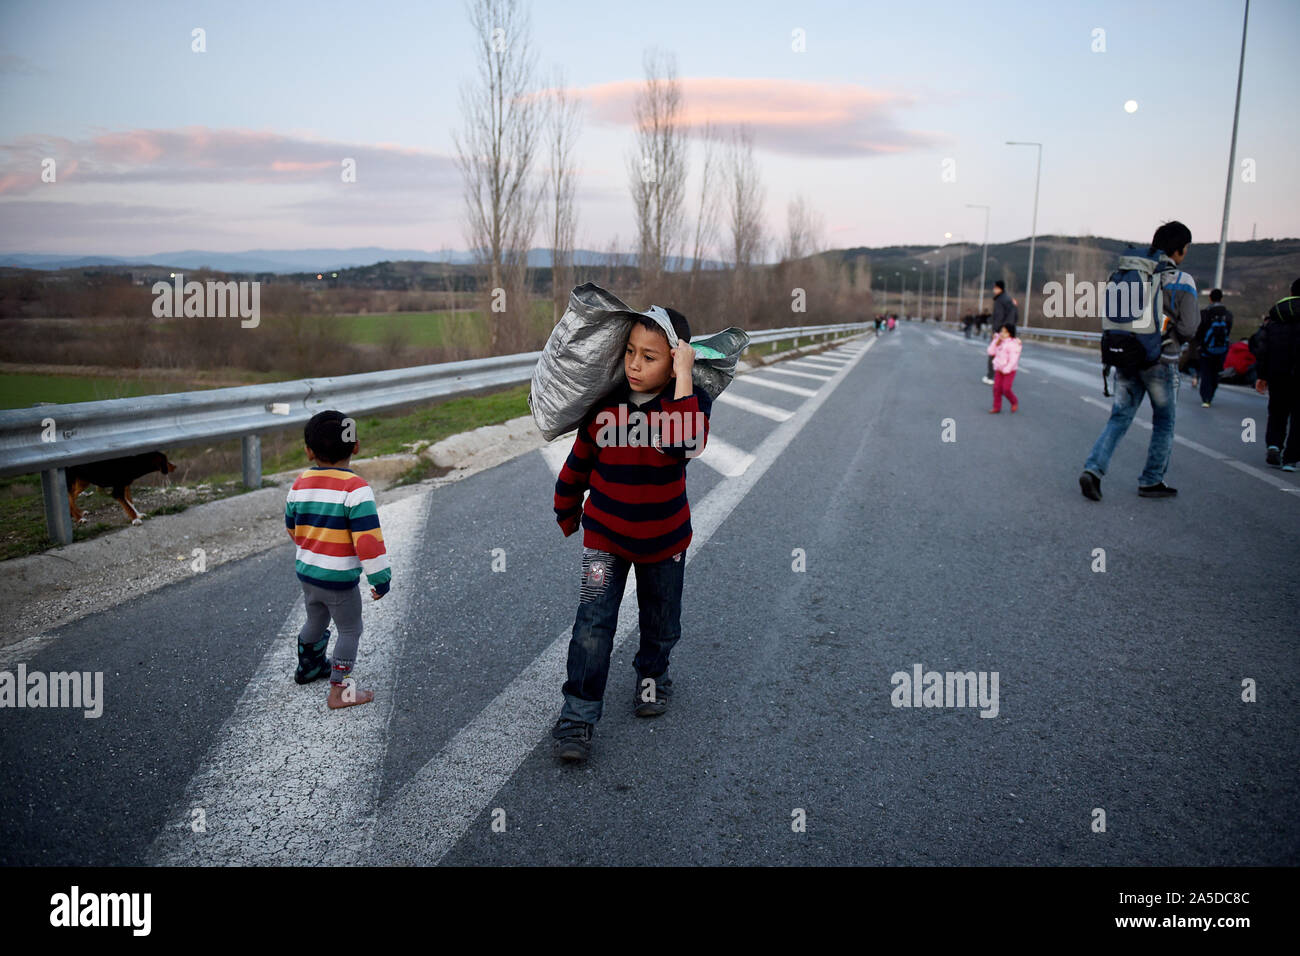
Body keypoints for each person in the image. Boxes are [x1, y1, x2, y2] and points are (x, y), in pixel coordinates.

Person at [551, 308, 712, 763]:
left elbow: (686, 444)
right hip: (604, 538)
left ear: (678, 360)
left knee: (661, 622)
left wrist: (685, 376)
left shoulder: (690, 403)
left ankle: (652, 679)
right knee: (591, 624)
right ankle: (578, 714)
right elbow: (578, 462)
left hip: (665, 541)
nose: (636, 365)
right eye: (629, 353)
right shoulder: (606, 406)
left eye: (651, 357)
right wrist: (566, 508)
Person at [1079, 221, 1199, 501]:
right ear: (1179, 250)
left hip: (1128, 355)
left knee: (1119, 417)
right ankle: (1151, 480)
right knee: (1164, 422)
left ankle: (1093, 470)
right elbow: (1191, 328)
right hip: (1162, 362)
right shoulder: (1182, 281)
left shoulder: (1132, 273)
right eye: (1186, 249)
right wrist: (1172, 335)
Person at [285, 410, 392, 708]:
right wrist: (380, 578)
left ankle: (308, 667)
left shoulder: (300, 483)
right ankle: (338, 691)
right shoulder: (356, 489)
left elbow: (292, 528)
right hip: (339, 580)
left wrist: (313, 550)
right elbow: (367, 542)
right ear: (355, 446)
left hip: (308, 573)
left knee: (315, 618)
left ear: (308, 451)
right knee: (350, 629)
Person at [1253, 278, 1300, 471]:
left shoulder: (1276, 316)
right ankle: (1291, 458)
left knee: (1277, 412)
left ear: (1291, 293)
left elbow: (1262, 348)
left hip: (1277, 373)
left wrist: (1261, 375)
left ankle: (1274, 445)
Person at [1194, 288, 1233, 406]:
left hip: (1206, 350)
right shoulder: (1228, 315)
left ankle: (1206, 398)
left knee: (1206, 373)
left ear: (1210, 298)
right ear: (1221, 298)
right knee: (1215, 373)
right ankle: (1211, 394)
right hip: (1222, 350)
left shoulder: (1205, 313)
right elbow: (1228, 331)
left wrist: (1199, 344)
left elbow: (1199, 331)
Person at [987, 323, 1022, 413]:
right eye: (1002, 331)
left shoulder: (1013, 344)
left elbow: (1013, 359)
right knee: (996, 388)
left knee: (1006, 389)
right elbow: (990, 352)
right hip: (999, 369)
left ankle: (1014, 401)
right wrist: (995, 341)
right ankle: (996, 407)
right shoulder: (999, 341)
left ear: (1010, 333)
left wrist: (1007, 369)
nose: (1003, 333)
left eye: (1005, 332)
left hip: (1009, 370)